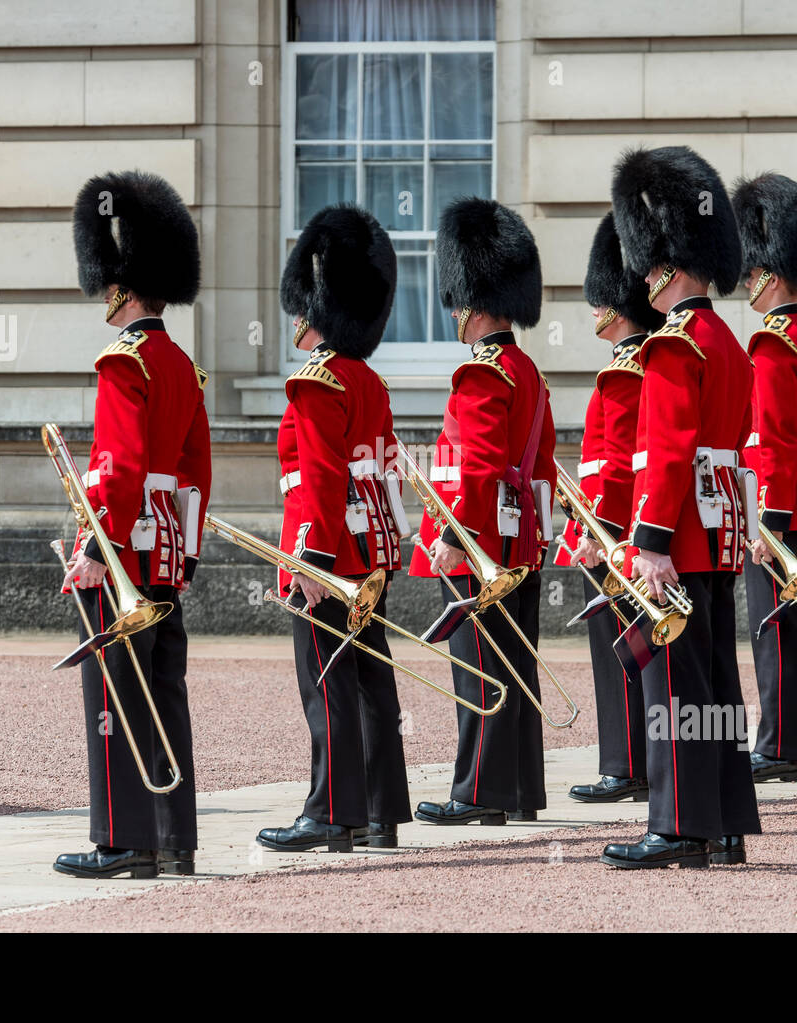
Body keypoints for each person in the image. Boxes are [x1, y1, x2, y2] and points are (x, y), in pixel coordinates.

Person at [601, 145, 761, 869]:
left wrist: (651, 540)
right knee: (716, 680)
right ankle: (723, 823)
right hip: (719, 535)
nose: (641, 276)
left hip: (681, 537)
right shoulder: (726, 343)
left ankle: (676, 826)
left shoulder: (673, 346)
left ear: (664, 264)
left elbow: (664, 452)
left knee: (675, 683)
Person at [54, 170, 211, 879]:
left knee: (116, 697)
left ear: (119, 283)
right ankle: (175, 836)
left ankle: (122, 839)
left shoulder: (126, 361)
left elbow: (116, 466)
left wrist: (94, 546)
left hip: (122, 558)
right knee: (164, 692)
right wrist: (185, 552)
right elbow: (196, 473)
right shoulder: (182, 364)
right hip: (166, 555)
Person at [254, 204, 413, 853]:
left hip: (327, 556)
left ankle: (330, 811)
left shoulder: (317, 381)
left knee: (327, 684)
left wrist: (311, 564)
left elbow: (320, 476)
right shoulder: (367, 378)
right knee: (371, 680)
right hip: (368, 550)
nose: (296, 317)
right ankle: (378, 810)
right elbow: (385, 467)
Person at [410, 197, 556, 827]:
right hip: (518, 540)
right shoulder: (527, 371)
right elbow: (540, 467)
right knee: (513, 666)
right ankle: (518, 789)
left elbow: (478, 464)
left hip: (479, 544)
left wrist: (451, 532)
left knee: (478, 671)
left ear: (469, 302)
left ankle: (478, 793)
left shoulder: (481, 374)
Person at [731, 172, 797, 782]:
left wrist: (764, 520)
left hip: (777, 509)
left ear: (769, 273)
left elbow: (768, 439)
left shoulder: (771, 345)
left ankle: (779, 746)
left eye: (750, 272)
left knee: (773, 630)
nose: (745, 281)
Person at [559, 214, 662, 804]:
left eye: (601, 299)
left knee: (621, 652)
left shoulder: (625, 371)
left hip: (616, 537)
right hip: (618, 530)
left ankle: (625, 766)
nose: (593, 308)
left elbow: (618, 466)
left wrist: (598, 530)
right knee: (634, 647)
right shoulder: (637, 363)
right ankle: (634, 764)